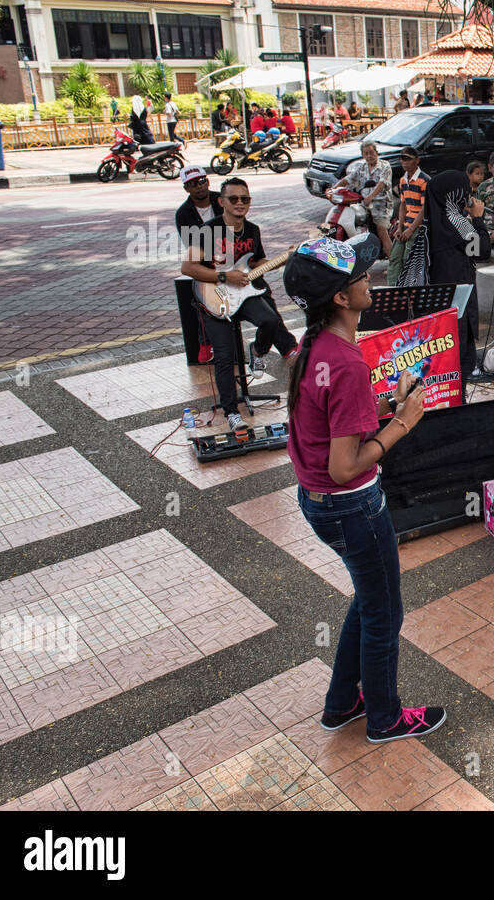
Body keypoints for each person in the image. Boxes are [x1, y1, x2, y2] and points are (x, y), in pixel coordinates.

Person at [282, 237, 446, 743]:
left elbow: (330, 427)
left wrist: (378, 409)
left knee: (368, 599)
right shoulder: (348, 362)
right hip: (350, 505)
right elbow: (344, 465)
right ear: (340, 297)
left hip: (320, 503)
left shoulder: (315, 346)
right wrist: (402, 422)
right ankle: (384, 717)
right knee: (384, 611)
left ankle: (341, 704)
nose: (367, 278)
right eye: (358, 274)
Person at [180, 177, 300, 428]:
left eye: (244, 199)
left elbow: (255, 264)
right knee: (224, 357)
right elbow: (188, 267)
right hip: (214, 297)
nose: (239, 203)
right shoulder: (207, 231)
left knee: (269, 320)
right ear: (221, 201)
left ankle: (257, 351)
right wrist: (224, 276)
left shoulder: (252, 230)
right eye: (233, 198)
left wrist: (284, 259)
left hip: (243, 293)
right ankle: (232, 411)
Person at [405, 170, 489, 380]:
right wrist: (478, 218)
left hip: (438, 307)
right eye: (466, 191)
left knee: (446, 366)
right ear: (454, 194)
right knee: (462, 363)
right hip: (458, 306)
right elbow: (483, 250)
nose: (469, 197)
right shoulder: (455, 222)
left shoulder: (433, 223)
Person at [332, 141, 394, 259]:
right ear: (363, 155)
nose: (369, 156)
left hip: (381, 203)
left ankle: (394, 265)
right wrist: (333, 189)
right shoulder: (361, 167)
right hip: (363, 203)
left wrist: (371, 197)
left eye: (371, 152)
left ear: (376, 152)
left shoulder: (385, 166)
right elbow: (348, 179)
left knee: (381, 230)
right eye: (366, 153)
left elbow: (382, 183)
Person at [388, 146, 428, 287]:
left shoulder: (424, 181)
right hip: (406, 224)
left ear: (417, 160)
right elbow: (403, 205)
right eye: (403, 159)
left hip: (418, 225)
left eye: (408, 159)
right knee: (394, 257)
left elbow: (424, 209)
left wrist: (410, 229)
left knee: (408, 259)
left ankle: (409, 291)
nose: (405, 163)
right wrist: (399, 228)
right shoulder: (403, 180)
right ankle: (392, 289)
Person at [175, 166, 221, 244]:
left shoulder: (224, 200)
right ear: (186, 189)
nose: (199, 186)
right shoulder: (183, 214)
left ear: (208, 182)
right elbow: (191, 245)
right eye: (192, 183)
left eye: (202, 181)